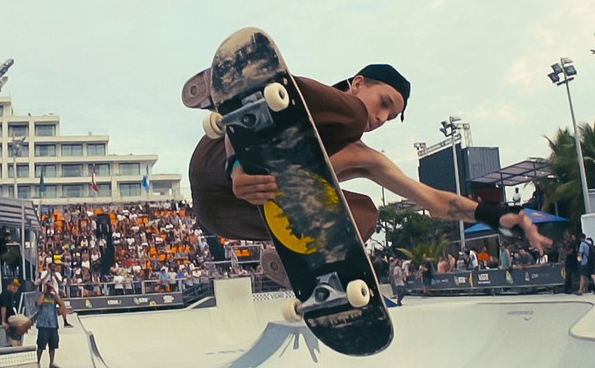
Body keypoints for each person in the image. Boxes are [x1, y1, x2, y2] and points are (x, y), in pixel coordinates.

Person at [189, 64, 551, 255]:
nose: (379, 119)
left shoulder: (365, 157)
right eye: (383, 104)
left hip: (227, 216)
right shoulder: (332, 105)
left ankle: (296, 259)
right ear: (358, 82)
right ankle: (227, 83)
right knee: (349, 116)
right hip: (215, 162)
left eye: (390, 119)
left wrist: (497, 216)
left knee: (364, 216)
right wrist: (236, 165)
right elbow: (250, 103)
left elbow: (432, 200)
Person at [35, 281, 66, 368]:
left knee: (53, 345)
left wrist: (54, 291)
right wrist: (44, 292)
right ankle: (37, 362)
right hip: (43, 324)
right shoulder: (41, 296)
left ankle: (51, 362)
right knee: (41, 345)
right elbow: (38, 303)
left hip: (53, 324)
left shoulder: (53, 297)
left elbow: (61, 303)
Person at [0, 278, 21, 346]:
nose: (15, 287)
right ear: (8, 286)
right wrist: (3, 321)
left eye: (17, 286)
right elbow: (3, 307)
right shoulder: (6, 294)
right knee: (13, 344)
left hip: (11, 325)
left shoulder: (12, 296)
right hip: (7, 326)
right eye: (13, 285)